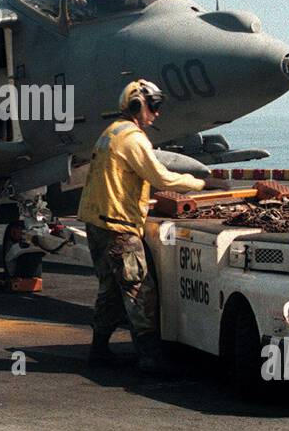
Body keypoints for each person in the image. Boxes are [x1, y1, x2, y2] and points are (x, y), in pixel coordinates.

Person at [76, 79, 207, 373]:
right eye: (155, 106)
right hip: (118, 227)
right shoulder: (133, 138)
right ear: (137, 106)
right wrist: (198, 183)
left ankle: (98, 352)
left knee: (110, 292)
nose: (158, 113)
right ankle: (151, 360)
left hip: (98, 223)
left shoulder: (111, 133)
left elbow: (118, 180)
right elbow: (161, 177)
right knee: (139, 291)